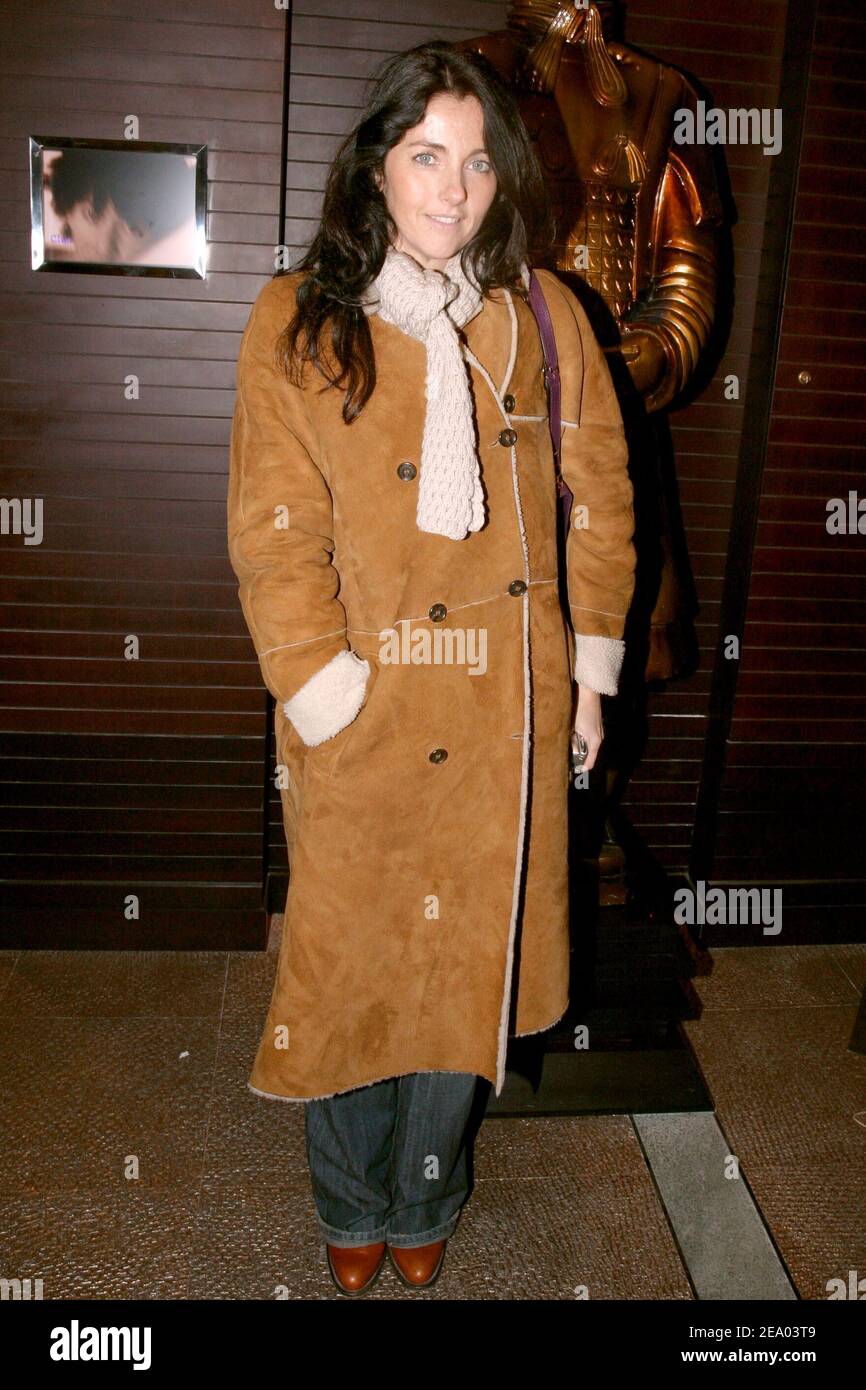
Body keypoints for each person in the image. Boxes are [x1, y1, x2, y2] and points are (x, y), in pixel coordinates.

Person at [227, 40, 636, 1297]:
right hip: (362, 709)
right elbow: (272, 525)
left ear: (499, 178)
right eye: (422, 157)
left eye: (472, 162)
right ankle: (349, 1203)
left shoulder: (543, 319)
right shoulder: (300, 317)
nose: (449, 189)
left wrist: (589, 678)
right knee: (351, 977)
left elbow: (599, 502)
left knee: (466, 969)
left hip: (503, 709)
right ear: (377, 167)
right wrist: (319, 684)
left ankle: (425, 1199)